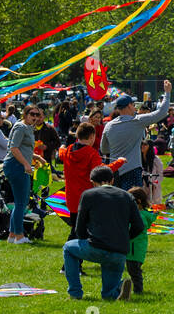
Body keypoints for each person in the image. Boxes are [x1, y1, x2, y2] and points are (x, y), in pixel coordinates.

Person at [63, 165, 144, 302]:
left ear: (92, 182)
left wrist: (85, 241)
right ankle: (118, 288)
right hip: (119, 251)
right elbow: (139, 226)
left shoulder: (88, 195)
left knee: (68, 248)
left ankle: (75, 293)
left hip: (96, 246)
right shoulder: (127, 196)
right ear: (112, 180)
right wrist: (124, 239)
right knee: (108, 295)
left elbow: (79, 227)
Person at [101, 82, 173, 191]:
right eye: (133, 105)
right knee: (133, 202)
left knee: (116, 203)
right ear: (129, 106)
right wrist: (167, 93)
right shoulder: (137, 121)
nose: (134, 107)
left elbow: (104, 149)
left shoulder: (108, 125)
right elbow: (162, 112)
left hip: (114, 170)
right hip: (132, 170)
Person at [57, 123, 105, 239]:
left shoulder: (68, 150)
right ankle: (74, 251)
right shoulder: (92, 154)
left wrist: (61, 147)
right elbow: (100, 172)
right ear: (92, 136)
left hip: (71, 198)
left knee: (75, 227)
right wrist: (119, 162)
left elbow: (61, 153)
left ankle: (71, 252)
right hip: (86, 199)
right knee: (82, 231)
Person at [1, 103, 39, 244]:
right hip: (16, 166)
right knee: (21, 203)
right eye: (32, 114)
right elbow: (14, 148)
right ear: (25, 114)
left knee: (19, 202)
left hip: (18, 165)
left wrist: (36, 157)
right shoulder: (21, 127)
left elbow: (23, 148)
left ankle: (12, 236)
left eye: (37, 115)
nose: (35, 117)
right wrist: (26, 164)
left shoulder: (27, 128)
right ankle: (19, 236)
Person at [124, 186, 159, 295]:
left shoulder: (139, 215)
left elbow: (139, 227)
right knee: (133, 269)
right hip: (136, 248)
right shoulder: (143, 214)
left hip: (135, 248)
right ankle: (135, 288)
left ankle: (138, 290)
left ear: (138, 201)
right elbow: (151, 217)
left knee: (134, 270)